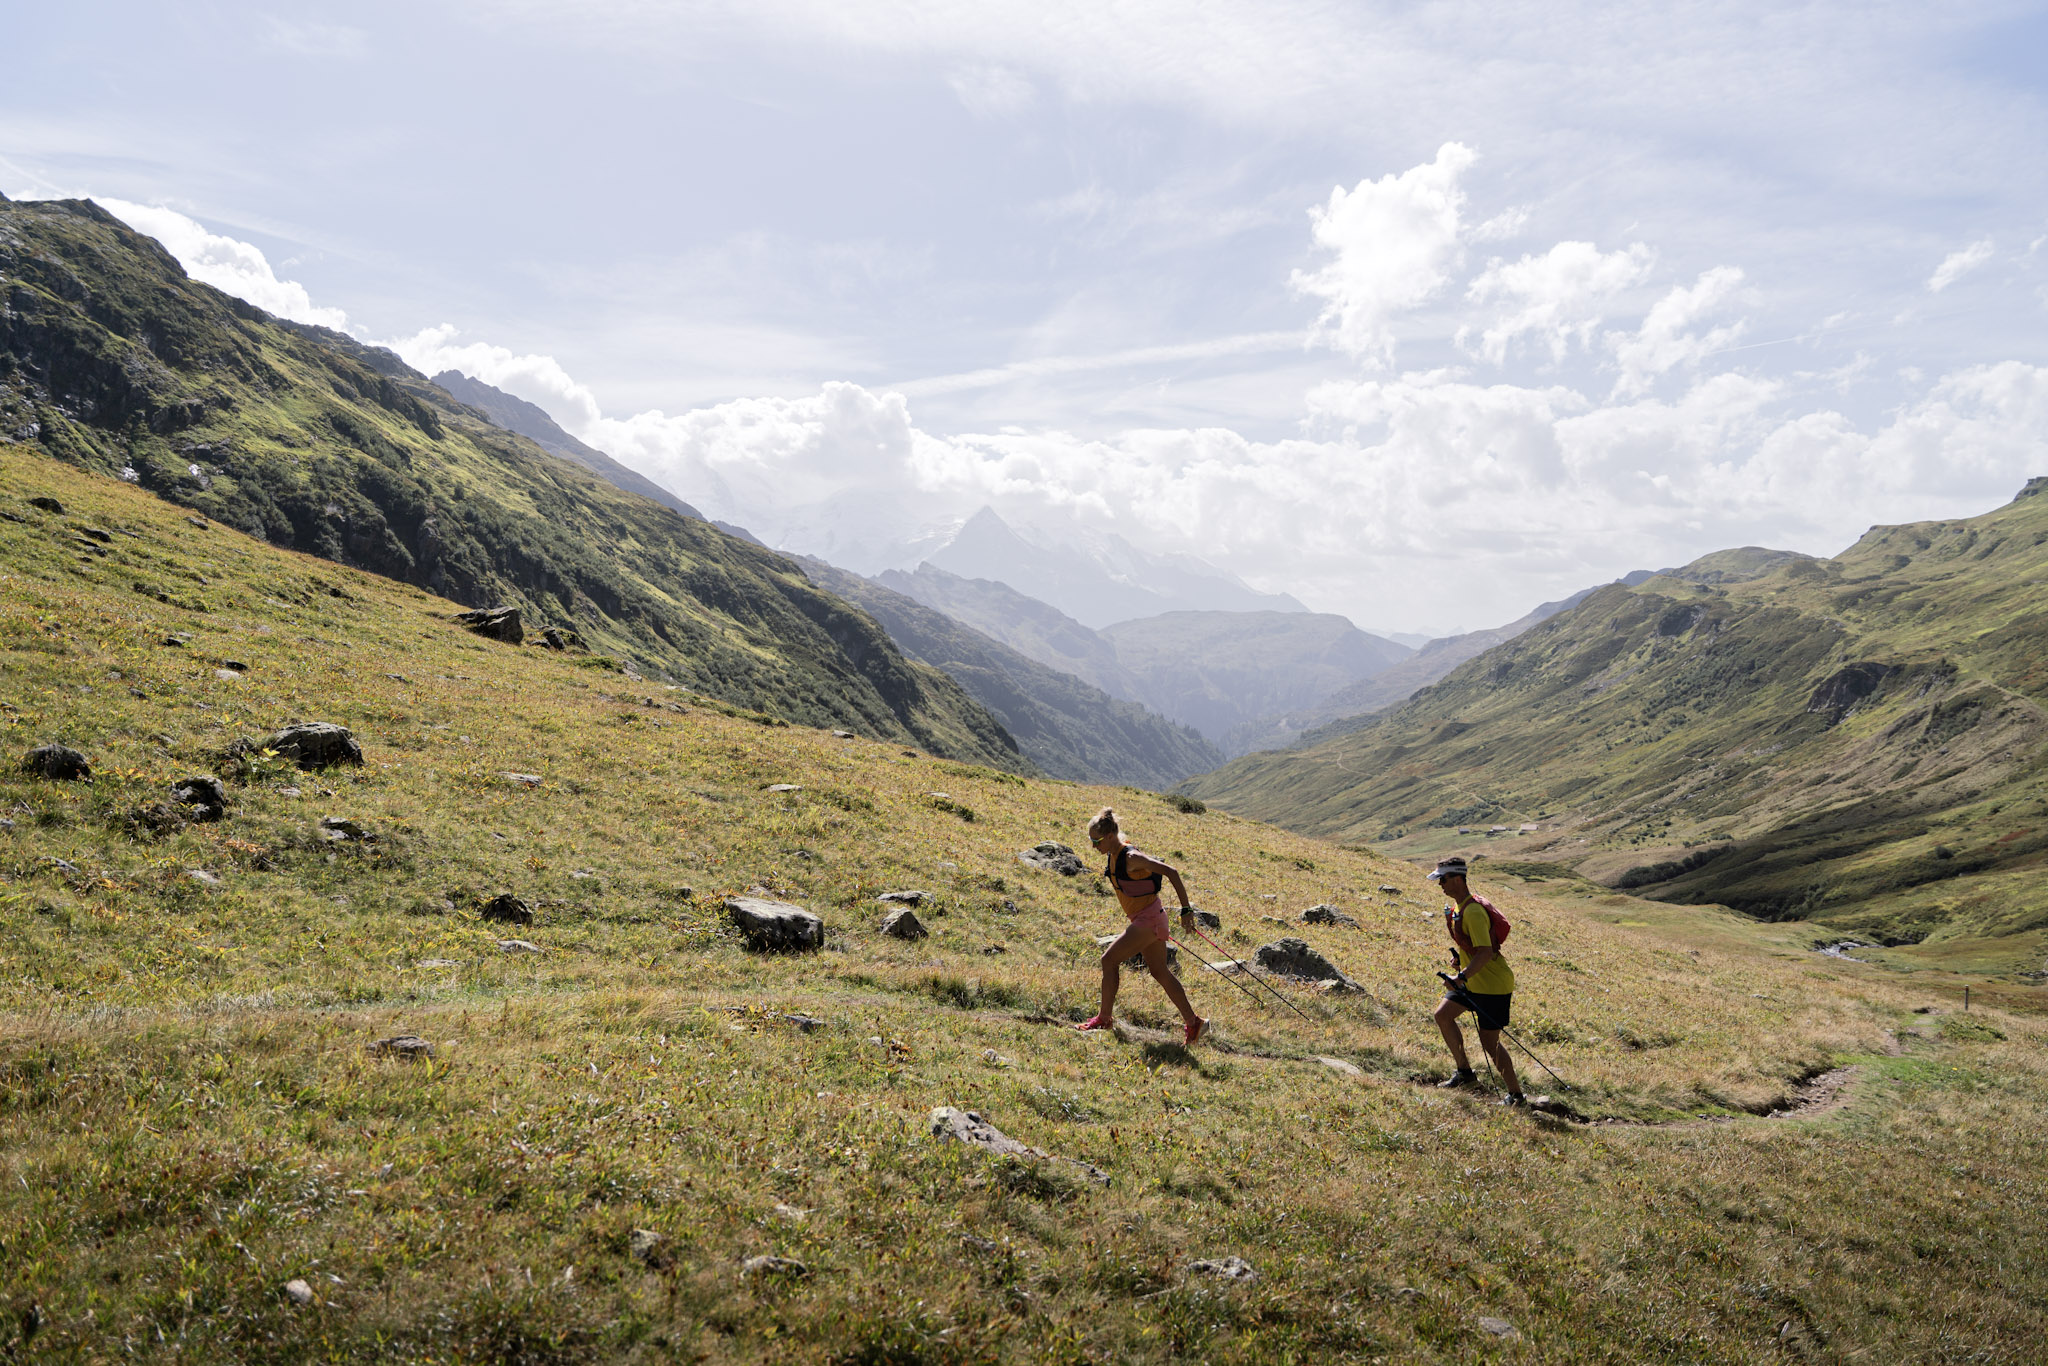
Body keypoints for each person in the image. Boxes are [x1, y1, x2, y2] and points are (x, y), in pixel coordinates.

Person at [1076, 807, 1207, 1044]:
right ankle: (1194, 1022)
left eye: (1096, 841)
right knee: (1159, 971)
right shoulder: (1113, 853)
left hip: (1149, 920)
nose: (1093, 846)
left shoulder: (1131, 858)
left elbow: (1171, 872)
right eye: (1090, 840)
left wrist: (1187, 910)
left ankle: (1104, 1019)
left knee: (1108, 960)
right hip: (1150, 917)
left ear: (1109, 836)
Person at [1428, 856, 1524, 1106]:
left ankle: (1516, 1096)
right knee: (1443, 1015)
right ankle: (1465, 1074)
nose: (1440, 885)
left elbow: (1485, 952)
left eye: (1444, 879)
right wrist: (1461, 961)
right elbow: (1475, 948)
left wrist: (1460, 977)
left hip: (1492, 985)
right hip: (1472, 981)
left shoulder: (1472, 911)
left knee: (1489, 1042)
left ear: (1458, 879)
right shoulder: (1459, 907)